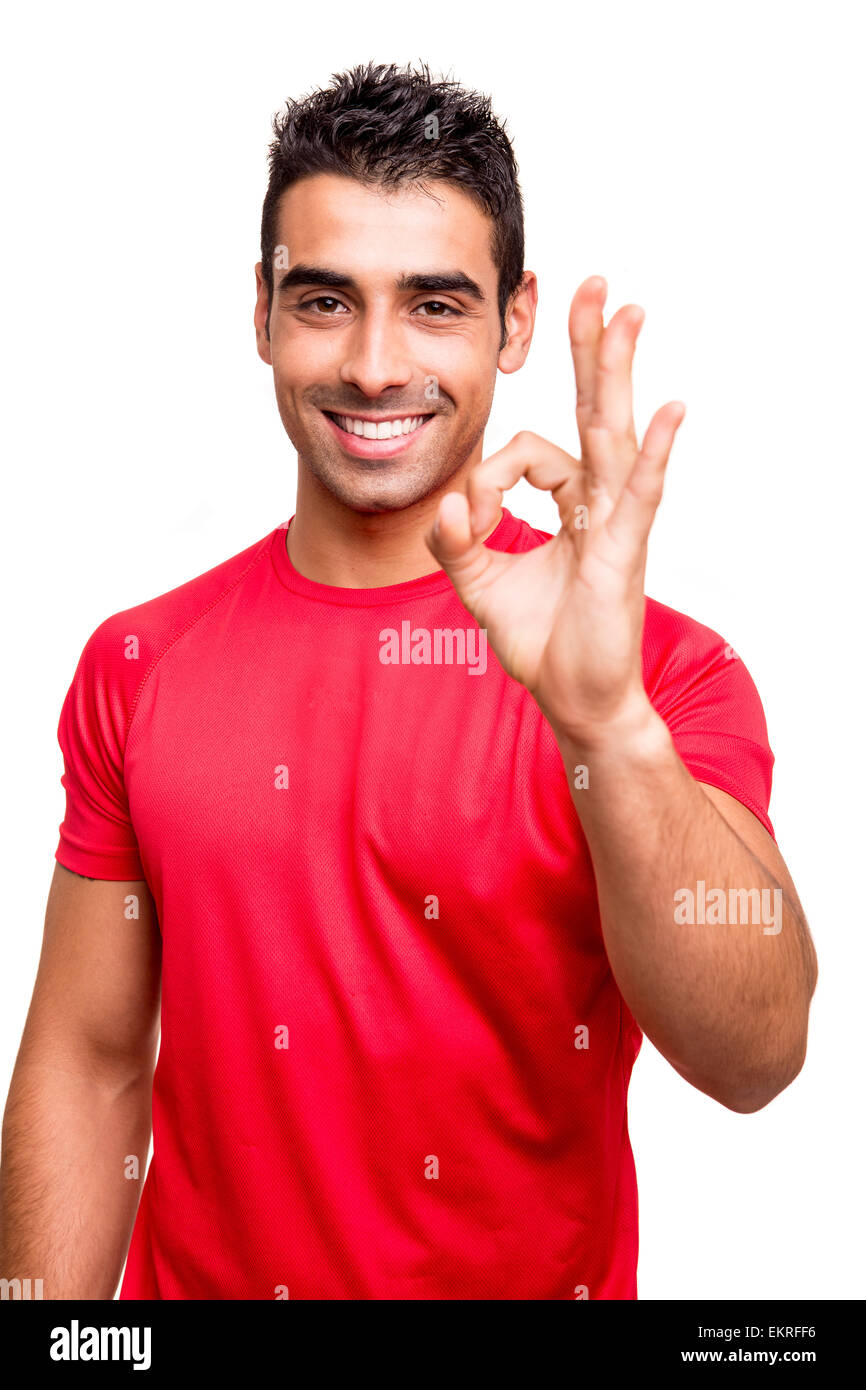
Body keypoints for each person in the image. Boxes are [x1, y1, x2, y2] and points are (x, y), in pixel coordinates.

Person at [0, 60, 817, 1301]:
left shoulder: (658, 675)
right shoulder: (138, 663)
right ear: (261, 311)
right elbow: (87, 1057)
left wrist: (604, 722)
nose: (376, 367)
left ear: (516, 319)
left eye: (434, 304)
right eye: (327, 300)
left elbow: (756, 1053)